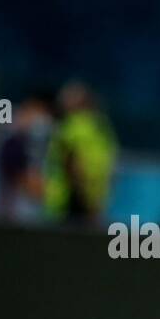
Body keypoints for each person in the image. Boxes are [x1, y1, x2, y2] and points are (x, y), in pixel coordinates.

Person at [43, 81, 118, 224]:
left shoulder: (72, 126)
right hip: (83, 201)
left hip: (73, 202)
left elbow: (71, 164)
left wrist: (85, 200)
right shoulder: (101, 129)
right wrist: (90, 202)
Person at [0, 93, 54, 222]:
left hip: (25, 219)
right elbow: (31, 188)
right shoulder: (13, 143)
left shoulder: (30, 144)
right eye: (35, 113)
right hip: (12, 219)